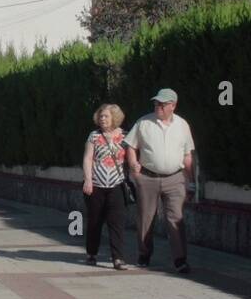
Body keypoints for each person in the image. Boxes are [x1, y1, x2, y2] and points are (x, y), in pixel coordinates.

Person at [125, 88, 196, 274]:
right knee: (146, 218)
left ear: (173, 105)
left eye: (162, 104)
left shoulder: (182, 125)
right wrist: (133, 164)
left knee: (176, 219)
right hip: (148, 177)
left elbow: (188, 155)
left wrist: (191, 181)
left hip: (175, 178)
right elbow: (131, 146)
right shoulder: (144, 122)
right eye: (156, 103)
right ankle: (144, 254)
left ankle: (180, 260)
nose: (158, 107)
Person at [82, 104, 129, 270]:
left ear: (114, 118)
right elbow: (88, 158)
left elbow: (130, 159)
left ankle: (118, 258)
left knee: (116, 222)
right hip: (96, 185)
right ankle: (91, 253)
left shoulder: (125, 136)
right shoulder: (94, 136)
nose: (102, 119)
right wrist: (88, 180)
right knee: (95, 221)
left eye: (106, 116)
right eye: (101, 116)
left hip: (116, 184)